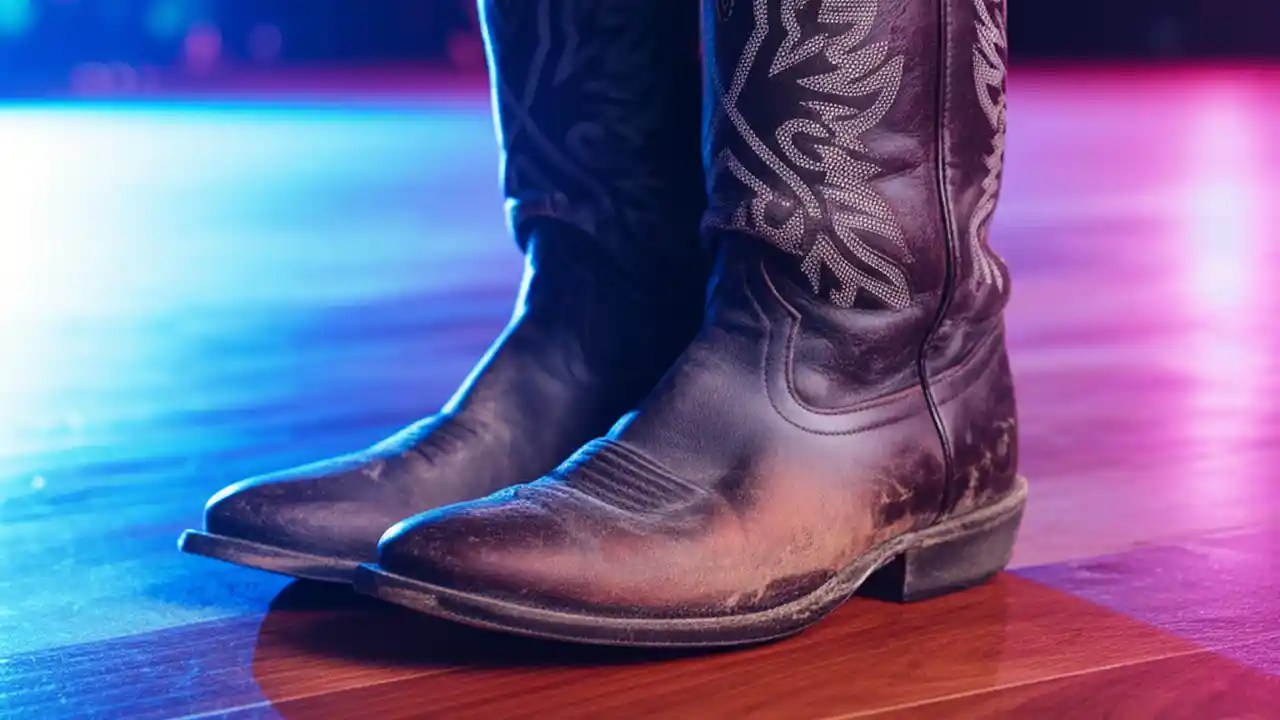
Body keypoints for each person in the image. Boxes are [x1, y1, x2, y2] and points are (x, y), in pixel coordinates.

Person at [181, 0, 1023, 648]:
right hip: (669, 339)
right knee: (605, 259)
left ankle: (877, 390)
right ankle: (613, 327)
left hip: (863, 374)